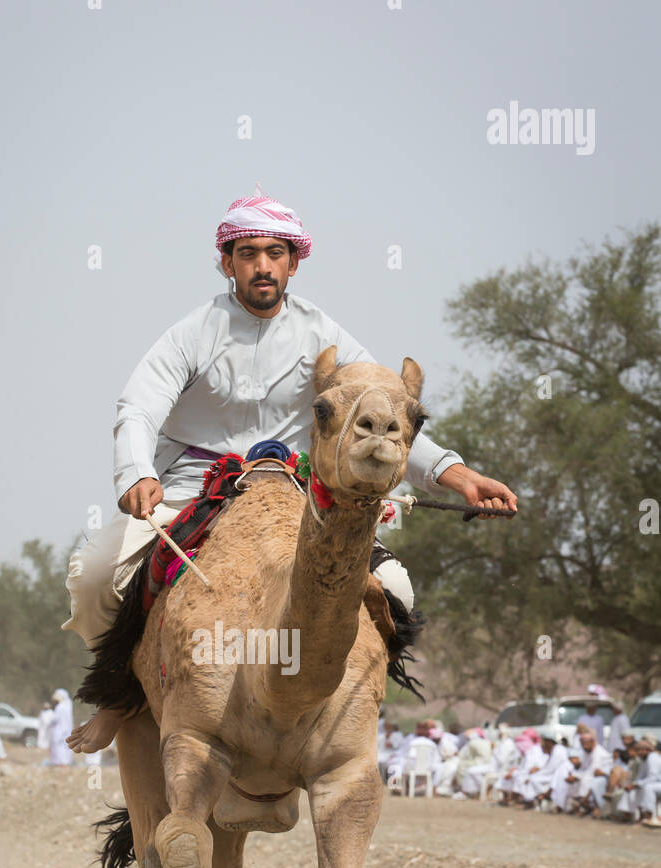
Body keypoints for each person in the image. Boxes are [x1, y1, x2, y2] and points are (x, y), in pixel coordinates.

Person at [63, 190, 517, 754]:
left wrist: (456, 474)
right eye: (248, 253)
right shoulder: (193, 332)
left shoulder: (322, 334)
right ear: (227, 263)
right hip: (192, 485)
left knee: (395, 587)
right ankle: (120, 694)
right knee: (95, 576)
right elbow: (139, 407)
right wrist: (134, 471)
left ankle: (353, 708)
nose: (262, 265)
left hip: (296, 490)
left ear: (293, 262)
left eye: (274, 253)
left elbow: (378, 415)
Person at [617, 736, 661, 826]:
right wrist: (633, 785)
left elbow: (653, 777)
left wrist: (637, 784)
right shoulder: (643, 760)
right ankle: (629, 815)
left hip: (657, 783)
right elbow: (640, 777)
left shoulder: (653, 758)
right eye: (638, 750)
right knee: (631, 790)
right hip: (653, 783)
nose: (639, 753)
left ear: (648, 750)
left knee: (648, 788)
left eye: (641, 750)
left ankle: (650, 815)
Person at [518, 733, 567, 808]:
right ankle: (530, 800)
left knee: (533, 778)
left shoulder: (558, 750)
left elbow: (550, 769)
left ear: (549, 742)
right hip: (552, 774)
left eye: (544, 741)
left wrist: (538, 773)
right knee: (531, 778)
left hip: (559, 775)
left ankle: (542, 796)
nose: (542, 744)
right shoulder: (554, 750)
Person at [48, 688, 74, 766]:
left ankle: (60, 763)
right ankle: (65, 762)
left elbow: (56, 719)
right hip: (66, 730)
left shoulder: (60, 707)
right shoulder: (67, 706)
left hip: (59, 730)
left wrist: (50, 721)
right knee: (65, 747)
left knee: (59, 747)